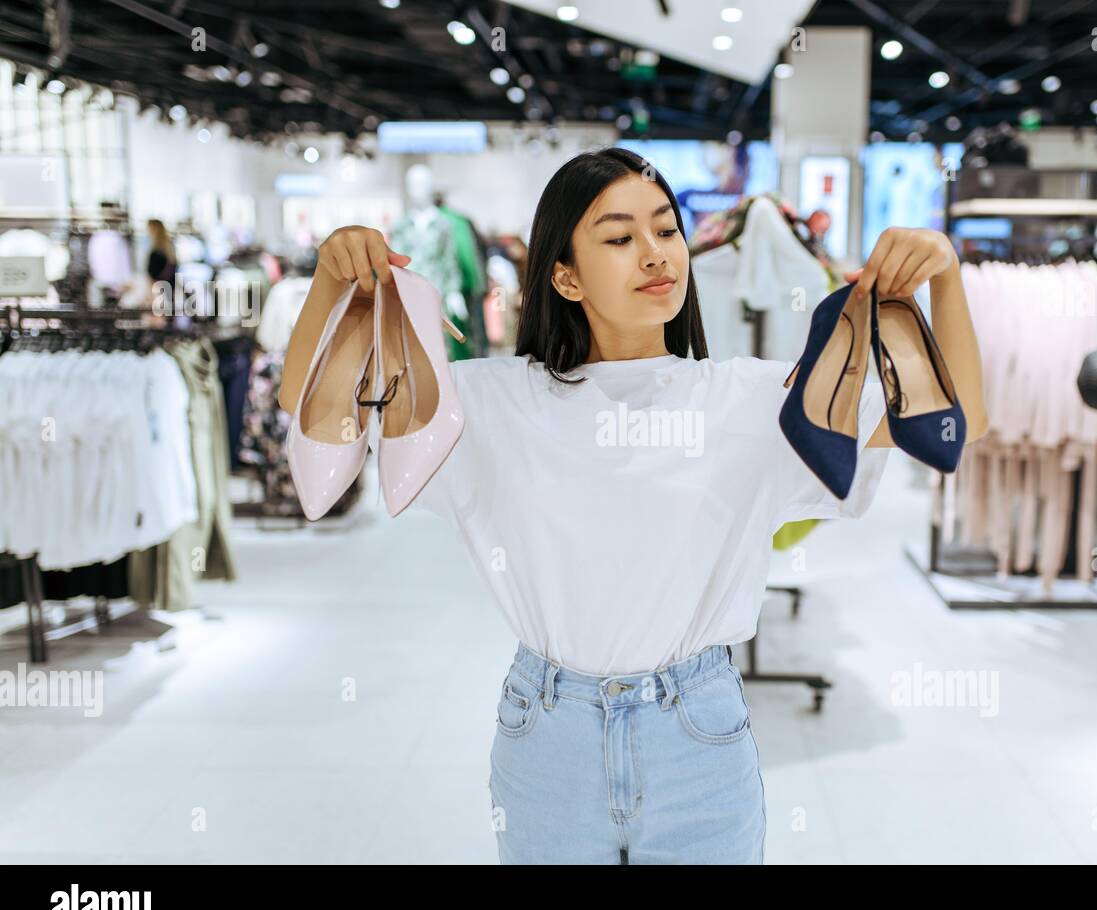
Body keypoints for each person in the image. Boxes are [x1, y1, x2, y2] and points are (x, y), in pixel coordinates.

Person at [277, 147, 989, 864]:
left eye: (667, 231)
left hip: (698, 736)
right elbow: (310, 413)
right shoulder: (490, 401)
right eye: (620, 239)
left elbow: (962, 420)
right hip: (548, 735)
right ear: (564, 274)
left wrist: (944, 274)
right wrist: (334, 285)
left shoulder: (755, 400)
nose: (655, 255)